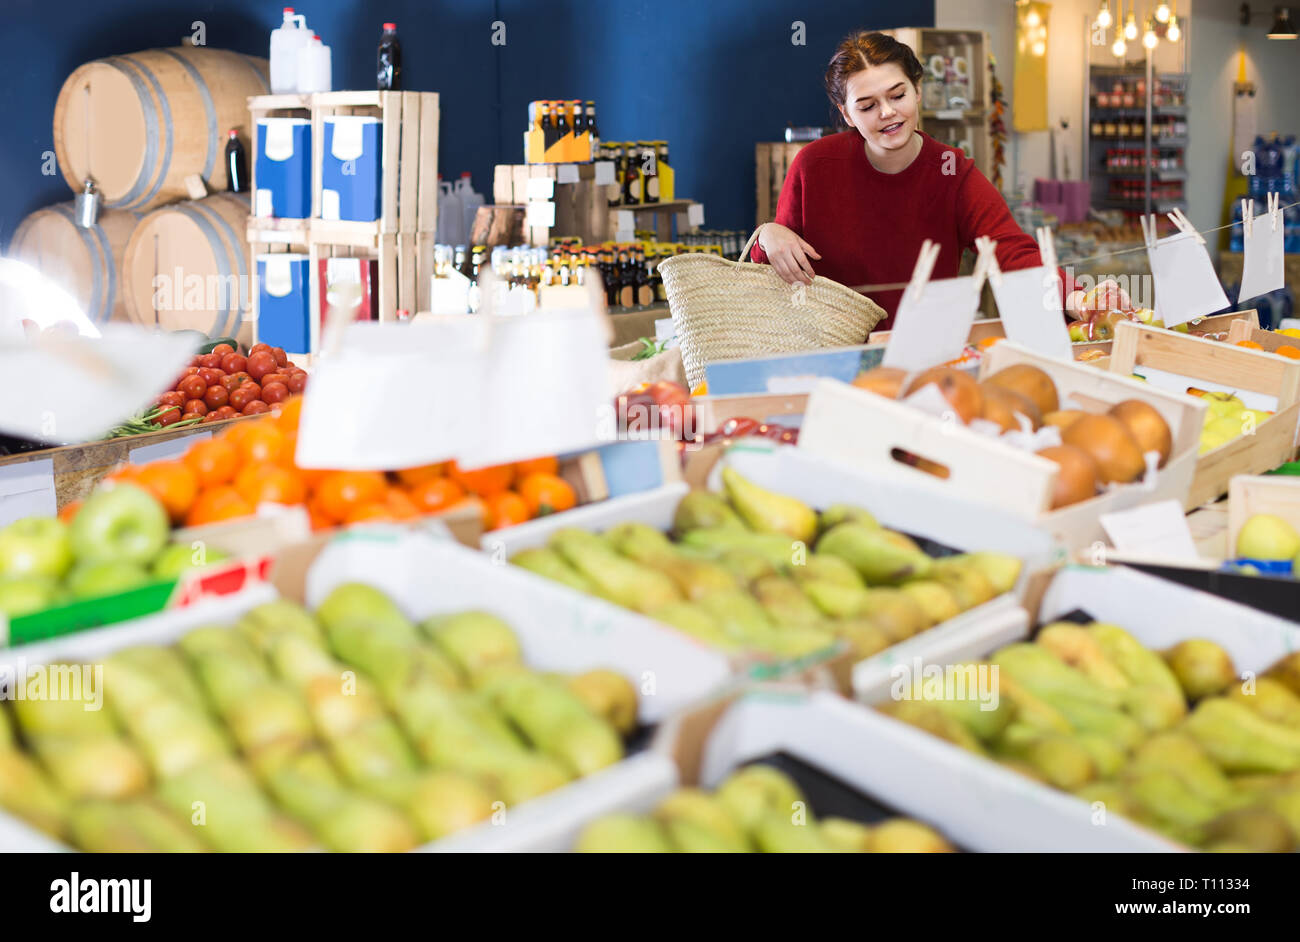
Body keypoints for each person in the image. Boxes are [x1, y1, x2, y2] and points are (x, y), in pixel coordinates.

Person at [751, 30, 1071, 331]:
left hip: (923, 352)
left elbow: (1012, 250)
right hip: (830, 353)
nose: (888, 112)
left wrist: (1075, 296)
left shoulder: (951, 170)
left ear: (917, 91)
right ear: (846, 114)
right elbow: (775, 265)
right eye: (868, 106)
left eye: (898, 95)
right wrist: (767, 234)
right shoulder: (814, 165)